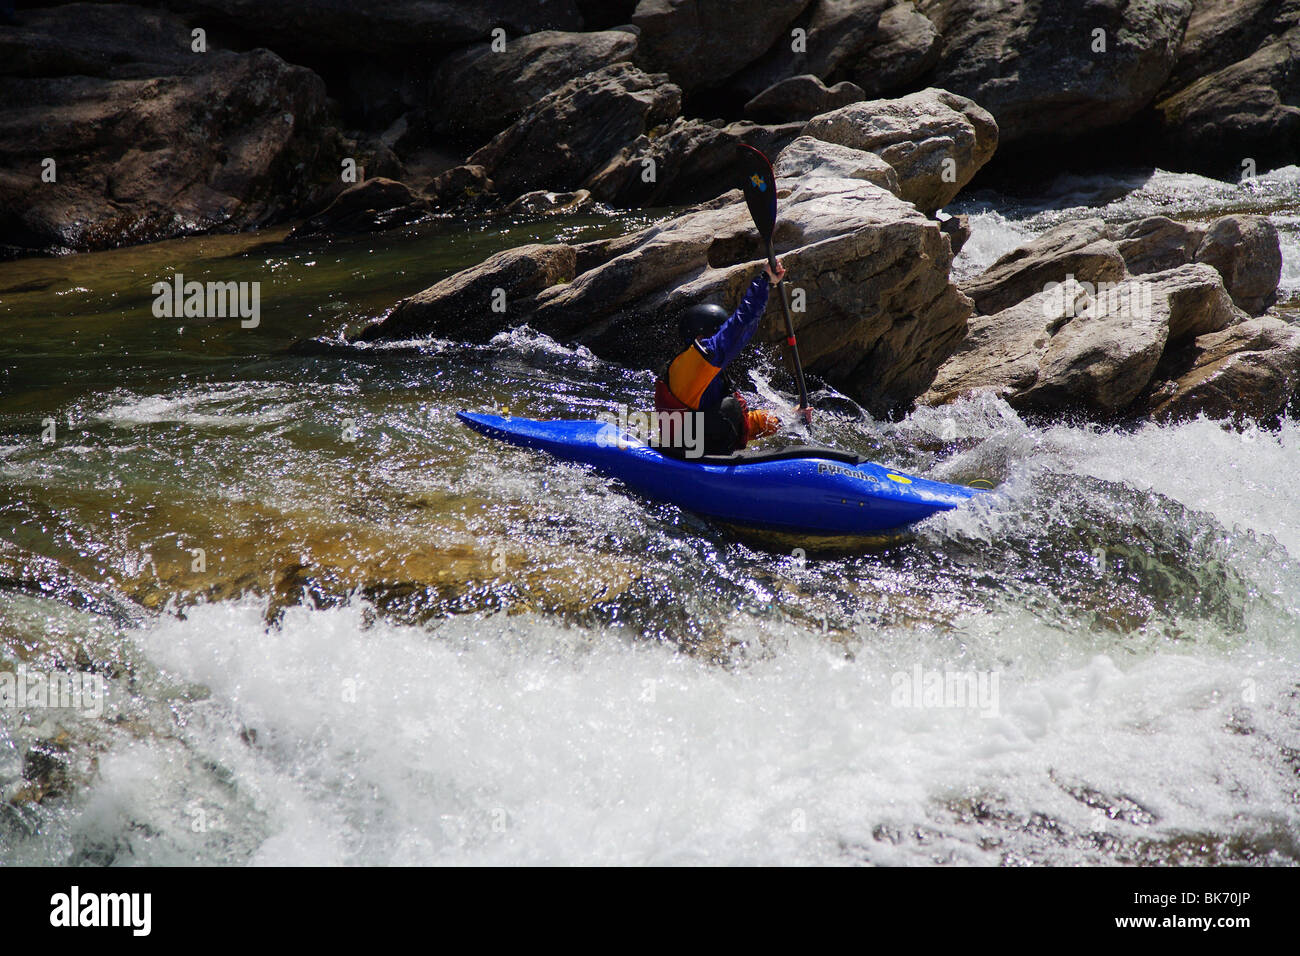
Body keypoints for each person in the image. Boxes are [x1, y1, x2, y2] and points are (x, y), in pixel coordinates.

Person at [655, 258, 810, 457]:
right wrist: (764, 280)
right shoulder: (692, 366)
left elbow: (743, 424)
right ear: (700, 338)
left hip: (699, 452)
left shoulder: (706, 375)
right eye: (718, 333)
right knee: (729, 407)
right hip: (689, 457)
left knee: (730, 407)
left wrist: (787, 418)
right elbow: (740, 325)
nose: (722, 339)